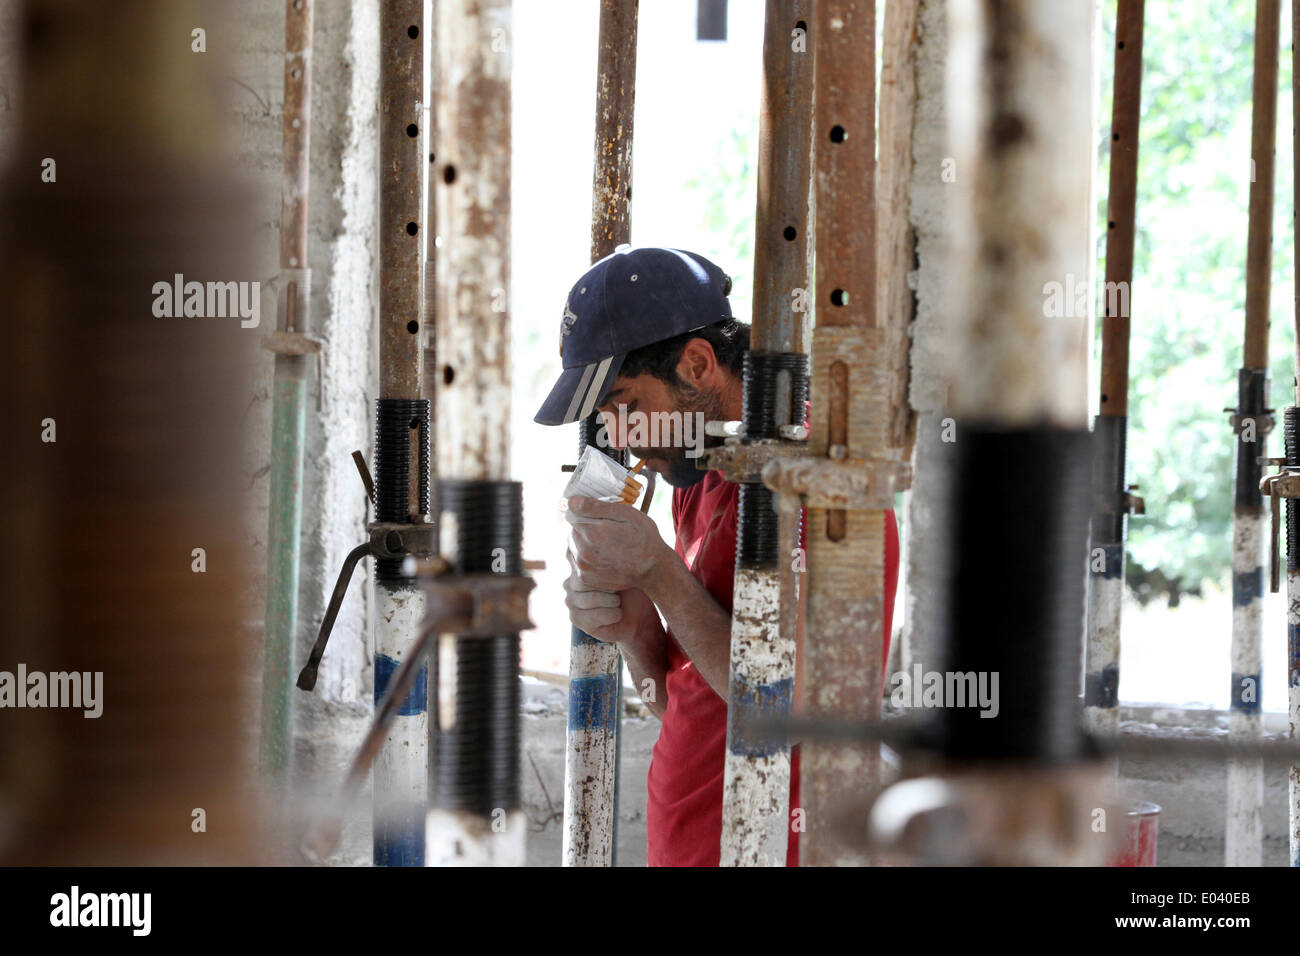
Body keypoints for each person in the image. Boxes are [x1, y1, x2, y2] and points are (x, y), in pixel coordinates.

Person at [534, 245, 900, 866]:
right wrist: (634, 630)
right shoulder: (699, 476)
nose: (620, 440)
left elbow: (792, 701)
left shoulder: (810, 473)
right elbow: (684, 700)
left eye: (627, 406)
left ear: (698, 364)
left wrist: (657, 570)